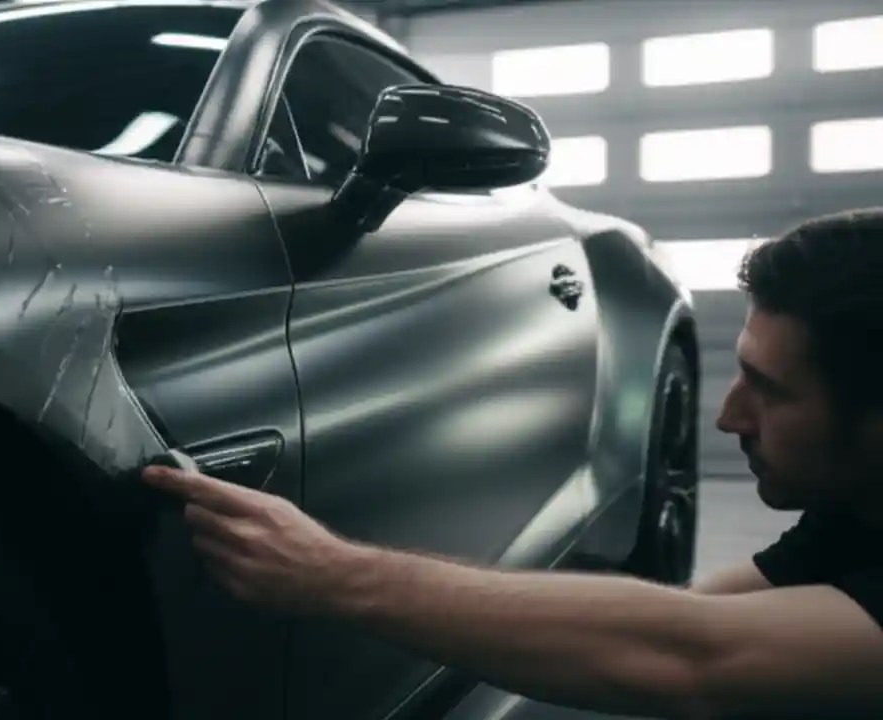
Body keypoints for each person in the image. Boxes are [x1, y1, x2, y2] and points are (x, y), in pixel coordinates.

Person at [142, 208, 883, 719]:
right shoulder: (856, 512)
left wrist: (329, 573)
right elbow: (691, 618)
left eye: (771, 391)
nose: (728, 418)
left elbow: (693, 659)